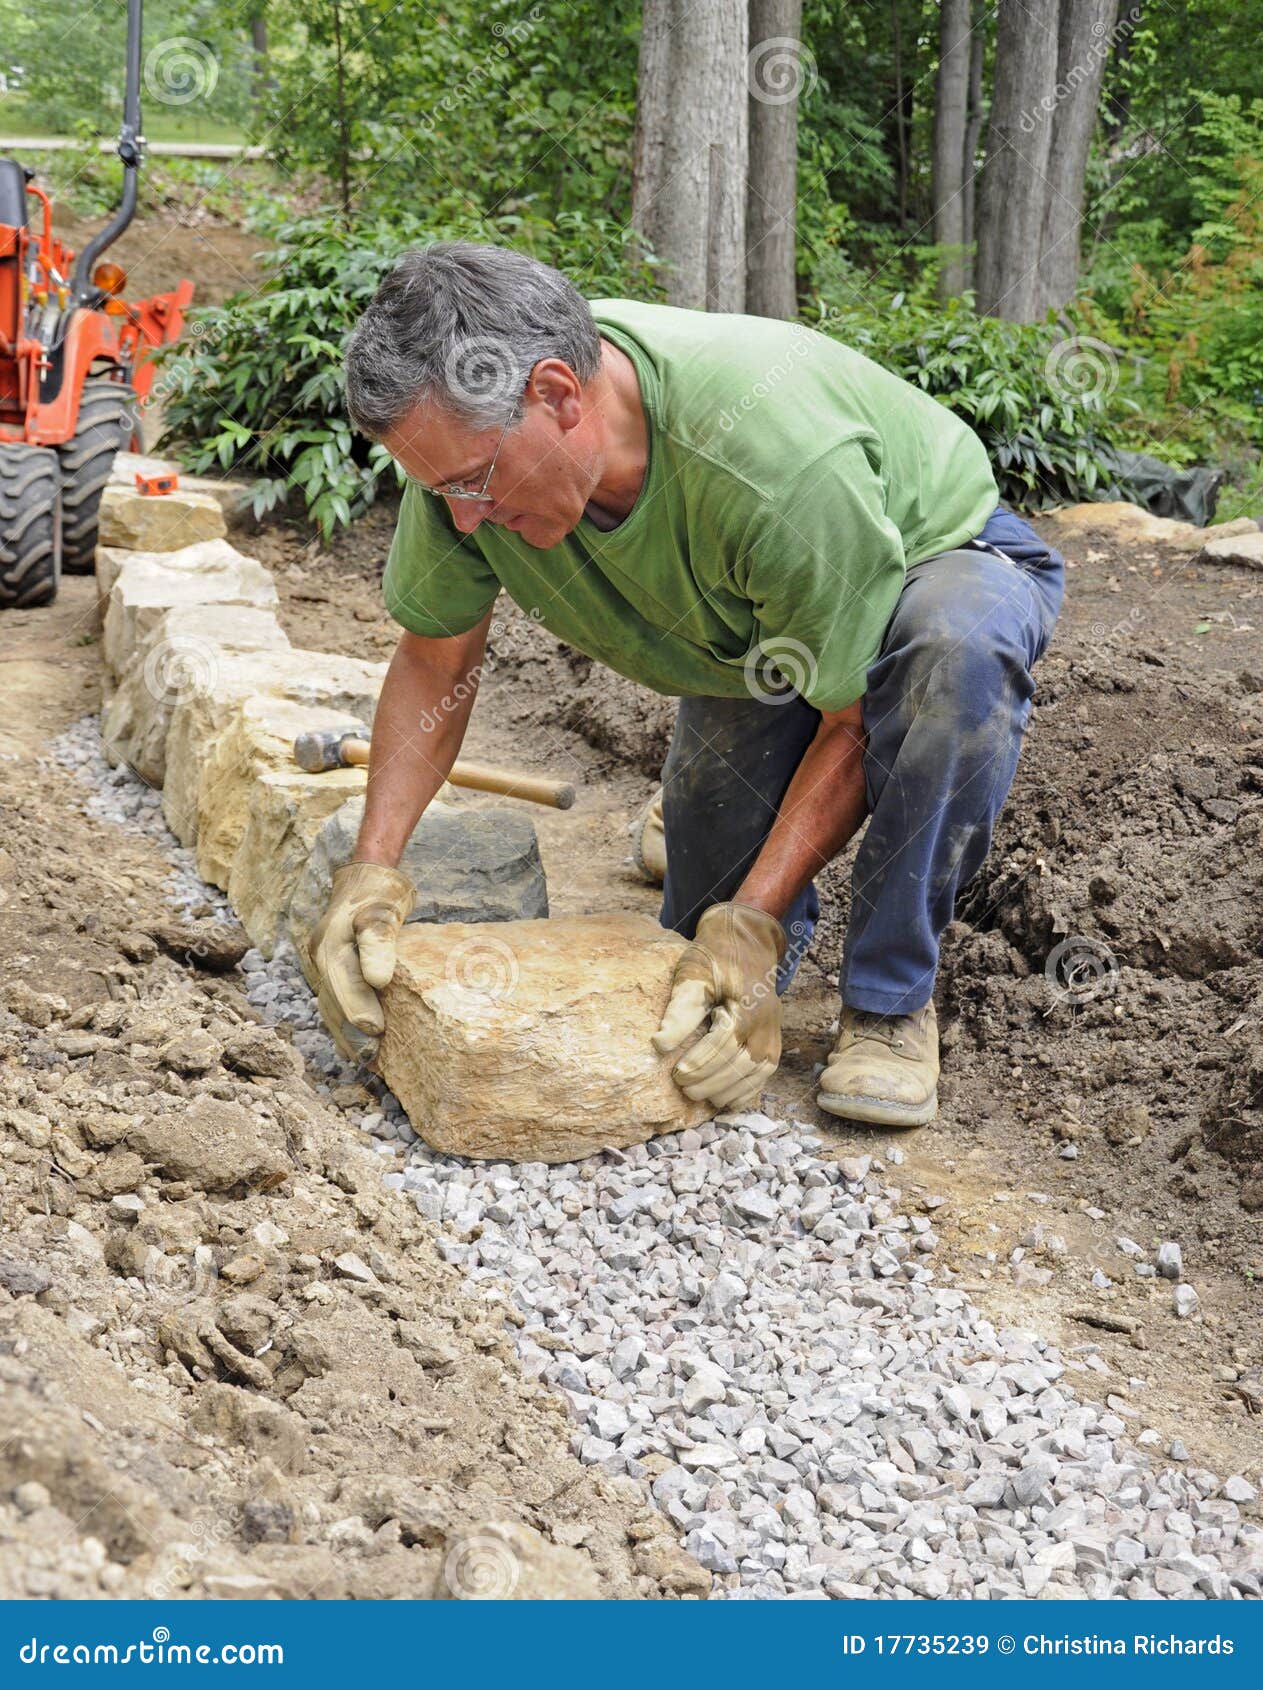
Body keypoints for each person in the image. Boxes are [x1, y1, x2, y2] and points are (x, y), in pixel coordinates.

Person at [308, 242, 1064, 1129]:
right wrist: (371, 868)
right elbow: (435, 660)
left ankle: (889, 999)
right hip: (753, 625)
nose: (464, 517)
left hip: (929, 557)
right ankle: (698, 829)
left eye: (473, 483)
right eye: (441, 491)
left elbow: (850, 719)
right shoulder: (463, 459)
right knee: (694, 937)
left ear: (556, 395)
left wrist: (753, 925)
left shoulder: (769, 461)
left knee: (948, 662)